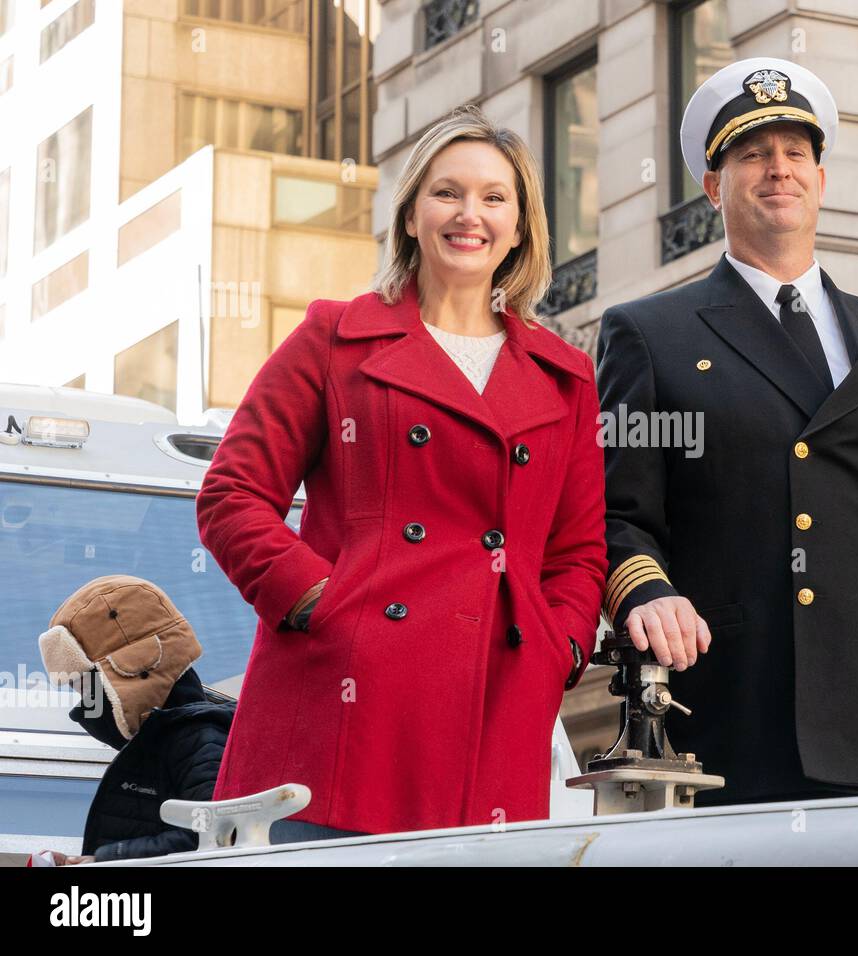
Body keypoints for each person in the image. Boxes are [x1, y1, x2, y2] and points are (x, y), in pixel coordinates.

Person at [597, 58, 858, 807]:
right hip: (748, 714)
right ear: (713, 185)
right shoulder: (649, 333)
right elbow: (616, 514)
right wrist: (648, 592)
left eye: (796, 154)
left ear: (821, 182)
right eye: (753, 154)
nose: (778, 170)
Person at [196, 105, 606, 839]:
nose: (468, 215)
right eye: (447, 192)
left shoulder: (565, 375)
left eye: (493, 198)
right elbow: (233, 494)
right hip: (341, 715)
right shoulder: (335, 336)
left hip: (498, 708)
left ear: (519, 226)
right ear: (412, 213)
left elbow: (576, 553)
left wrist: (559, 648)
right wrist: (319, 604)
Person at [37, 575, 234, 862]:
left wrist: (105, 859)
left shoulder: (199, 739)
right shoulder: (164, 739)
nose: (87, 702)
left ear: (136, 669)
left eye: (87, 686)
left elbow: (215, 838)